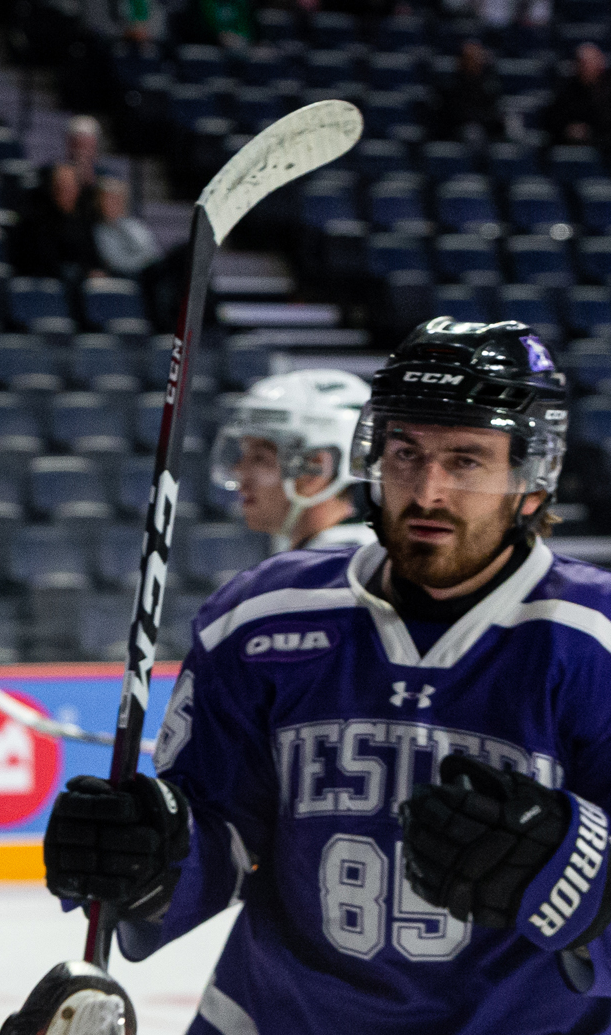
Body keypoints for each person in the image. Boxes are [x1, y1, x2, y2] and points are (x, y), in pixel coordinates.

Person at [42, 317, 611, 1034]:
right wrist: (154, 859)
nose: (427, 491)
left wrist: (592, 882)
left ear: (533, 477)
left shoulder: (596, 644)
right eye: (405, 452)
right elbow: (221, 834)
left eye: (466, 461)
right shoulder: (261, 617)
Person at [211, 369, 374, 553]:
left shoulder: (336, 569)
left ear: (316, 469)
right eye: (243, 453)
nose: (238, 469)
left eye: (259, 458)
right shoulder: (332, 557)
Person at [13, 163, 100, 279]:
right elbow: (41, 260)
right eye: (62, 188)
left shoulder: (83, 221)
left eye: (71, 188)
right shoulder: (37, 221)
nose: (67, 194)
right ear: (53, 189)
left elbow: (92, 257)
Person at [437, 39, 504, 141]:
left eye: (478, 57)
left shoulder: (489, 85)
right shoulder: (451, 85)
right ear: (461, 61)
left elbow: (493, 111)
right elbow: (450, 115)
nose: (475, 61)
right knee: (472, 133)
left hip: (486, 129)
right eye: (470, 58)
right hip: (458, 130)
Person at [91, 177, 160, 277]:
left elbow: (153, 251)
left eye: (118, 199)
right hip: (129, 274)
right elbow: (117, 262)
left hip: (151, 269)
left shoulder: (135, 225)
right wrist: (144, 262)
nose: (115, 204)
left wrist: (148, 261)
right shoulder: (99, 231)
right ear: (100, 203)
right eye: (110, 200)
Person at [548, 43, 611, 151]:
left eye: (590, 63)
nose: (585, 67)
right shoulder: (566, 90)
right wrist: (569, 130)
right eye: (582, 63)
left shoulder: (607, 90)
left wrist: (590, 132)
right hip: (569, 145)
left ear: (600, 64)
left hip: (602, 146)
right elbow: (553, 120)